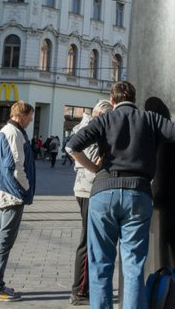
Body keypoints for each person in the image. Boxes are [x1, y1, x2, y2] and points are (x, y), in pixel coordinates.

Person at [65, 81, 175, 309]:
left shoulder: (104, 120)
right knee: (133, 265)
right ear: (134, 99)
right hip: (138, 193)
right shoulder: (150, 119)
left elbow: (71, 146)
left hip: (103, 193)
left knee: (100, 263)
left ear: (112, 100)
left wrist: (94, 168)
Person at [0, 101, 37, 303]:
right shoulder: (14, 134)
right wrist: (26, 187)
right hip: (11, 194)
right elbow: (16, 166)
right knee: (4, 241)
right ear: (21, 116)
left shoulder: (5, 131)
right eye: (30, 116)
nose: (31, 120)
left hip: (3, 191)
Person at [68, 99, 113, 306]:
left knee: (88, 238)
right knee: (88, 240)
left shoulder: (82, 126)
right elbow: (94, 159)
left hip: (82, 186)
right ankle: (79, 290)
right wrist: (100, 163)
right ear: (101, 115)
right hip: (88, 188)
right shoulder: (93, 129)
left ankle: (82, 288)